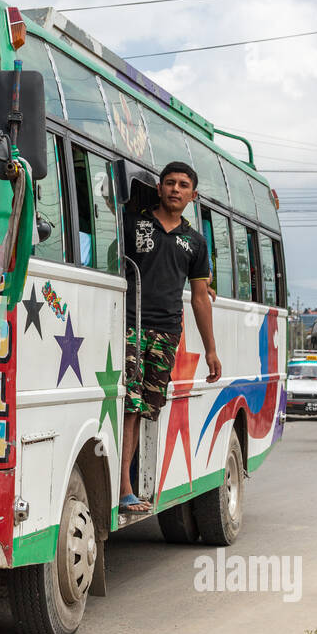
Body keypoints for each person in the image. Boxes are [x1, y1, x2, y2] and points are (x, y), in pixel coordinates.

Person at [119, 161, 221, 512]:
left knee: (148, 408)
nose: (175, 189)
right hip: (129, 325)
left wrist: (211, 350)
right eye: (169, 183)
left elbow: (199, 298)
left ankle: (134, 485)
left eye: (182, 185)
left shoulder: (195, 241)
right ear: (159, 188)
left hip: (167, 332)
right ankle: (124, 489)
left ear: (193, 195)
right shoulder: (132, 224)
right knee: (129, 408)